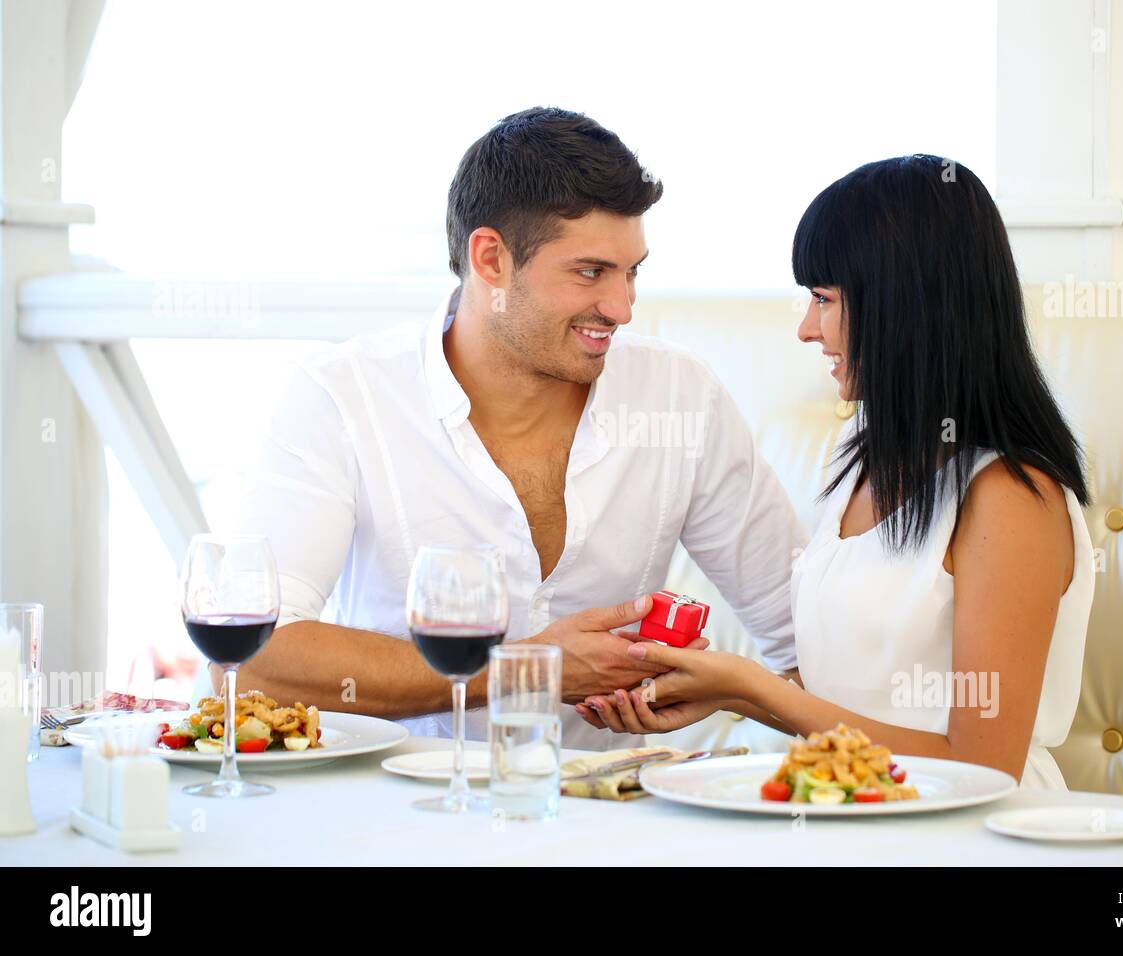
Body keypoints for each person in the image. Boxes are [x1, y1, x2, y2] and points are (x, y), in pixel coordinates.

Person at [218, 107, 808, 751]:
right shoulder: (340, 396)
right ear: (491, 258)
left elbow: (804, 645)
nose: (622, 308)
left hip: (615, 825)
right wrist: (525, 670)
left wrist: (717, 692)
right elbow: (255, 654)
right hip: (397, 820)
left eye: (632, 271)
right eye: (591, 272)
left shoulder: (680, 398)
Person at [576, 155, 1095, 787]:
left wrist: (746, 683)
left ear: (907, 304)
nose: (806, 328)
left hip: (971, 834)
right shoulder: (865, 453)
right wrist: (719, 690)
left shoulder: (1011, 497)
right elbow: (848, 696)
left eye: (823, 298)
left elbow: (983, 767)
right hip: (853, 811)